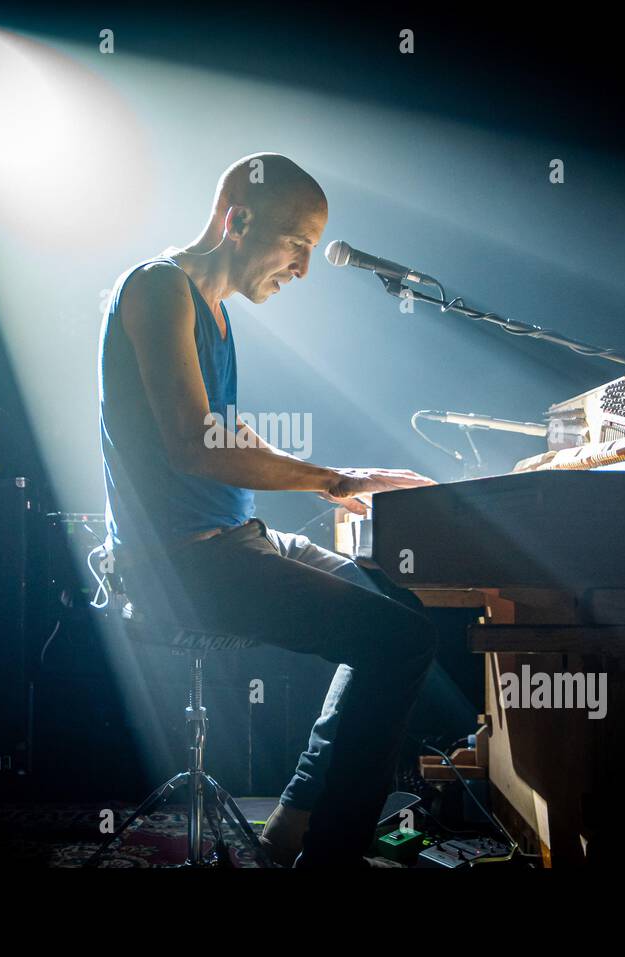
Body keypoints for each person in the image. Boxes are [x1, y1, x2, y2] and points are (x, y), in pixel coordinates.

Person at [98, 152, 438, 867]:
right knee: (397, 645)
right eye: (299, 245)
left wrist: (344, 479)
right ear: (239, 218)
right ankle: (329, 856)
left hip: (237, 539)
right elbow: (195, 445)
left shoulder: (215, 311)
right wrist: (327, 475)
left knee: (400, 605)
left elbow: (225, 432)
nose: (304, 269)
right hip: (182, 562)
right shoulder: (160, 288)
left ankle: (294, 819)